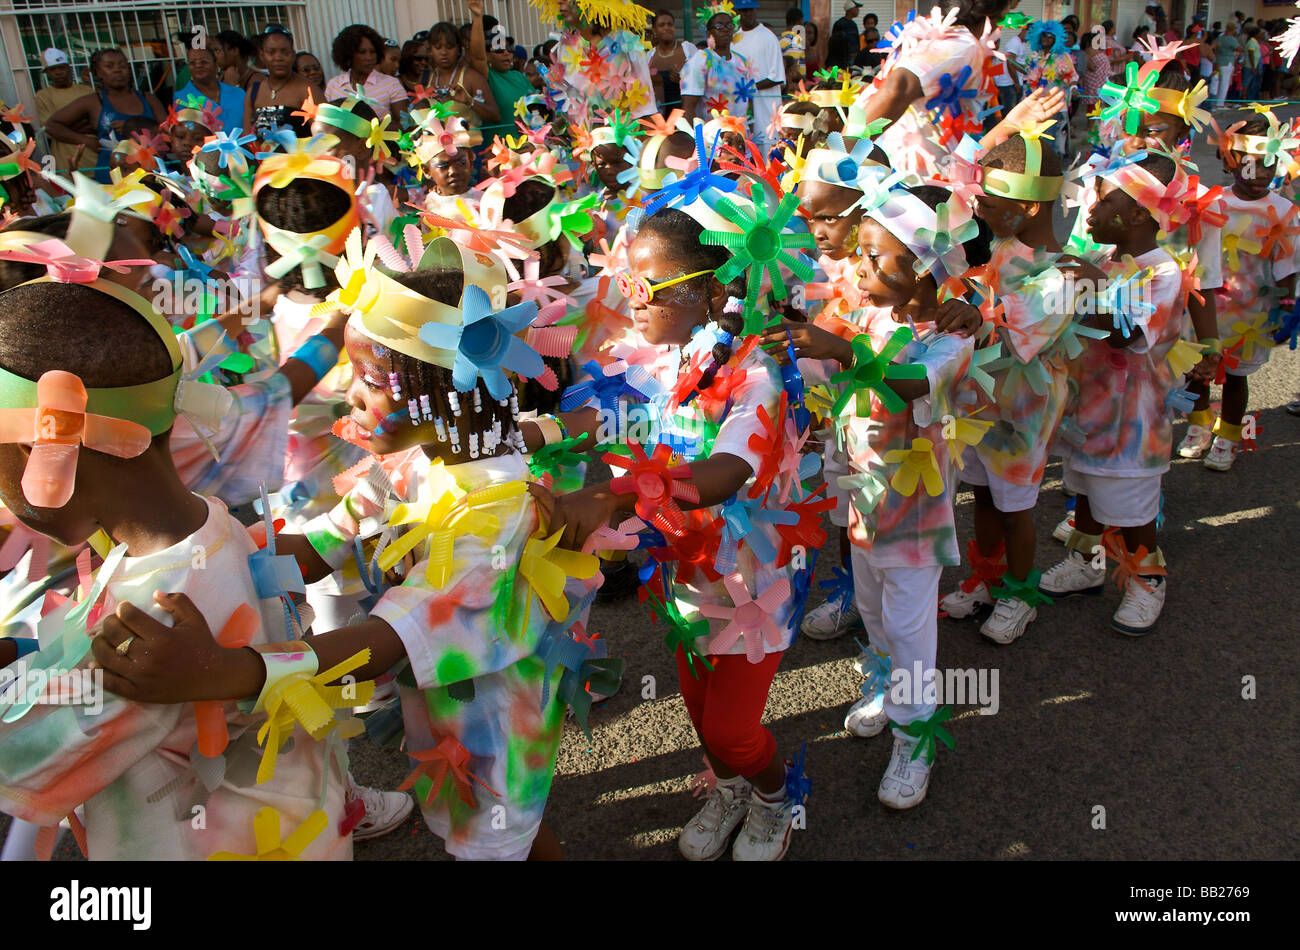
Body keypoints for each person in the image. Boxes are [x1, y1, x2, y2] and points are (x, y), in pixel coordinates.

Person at [87, 238, 601, 862]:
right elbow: (318, 545)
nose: (351, 396)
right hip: (441, 720)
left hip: (497, 731)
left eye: (372, 381)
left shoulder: (495, 513)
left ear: (443, 393)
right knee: (487, 832)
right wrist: (201, 551)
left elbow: (389, 639)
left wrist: (230, 672)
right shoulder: (413, 464)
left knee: (494, 841)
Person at [0, 216, 351, 860]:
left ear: (41, 451)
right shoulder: (211, 521)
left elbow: (14, 754)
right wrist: (27, 658)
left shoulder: (146, 637)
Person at [762, 183, 988, 808]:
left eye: (876, 258)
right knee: (876, 609)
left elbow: (912, 384)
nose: (859, 269)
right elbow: (816, 361)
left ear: (923, 267)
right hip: (862, 504)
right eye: (859, 253)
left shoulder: (949, 338)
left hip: (914, 518)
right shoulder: (865, 313)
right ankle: (887, 689)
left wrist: (840, 349)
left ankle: (916, 735)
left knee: (913, 627)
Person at [1041, 154, 1189, 635]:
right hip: (1090, 412)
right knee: (1083, 490)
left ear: (1141, 214)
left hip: (1133, 424)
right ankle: (1086, 562)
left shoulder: (1163, 272)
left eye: (1104, 200)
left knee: (1131, 508)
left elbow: (1125, 331)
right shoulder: (1104, 260)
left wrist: (1081, 276)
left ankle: (1148, 579)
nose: (1090, 207)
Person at [940, 131, 1077, 645]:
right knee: (983, 494)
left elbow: (1013, 327)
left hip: (1024, 411)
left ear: (1025, 205)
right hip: (979, 401)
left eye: (989, 201)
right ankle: (987, 576)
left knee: (1016, 505)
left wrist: (971, 313)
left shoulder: (1060, 275)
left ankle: (1021, 592)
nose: (980, 208)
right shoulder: (994, 245)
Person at [1185, 114, 1299, 471]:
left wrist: (1285, 308)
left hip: (1251, 310)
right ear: (1230, 160)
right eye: (1247, 163)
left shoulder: (1283, 210)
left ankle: (1230, 435)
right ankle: (1198, 423)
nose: (1257, 174)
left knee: (1235, 376)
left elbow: (1288, 264)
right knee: (1197, 370)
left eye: (1265, 165)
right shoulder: (1211, 203)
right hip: (1207, 305)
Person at [45, 48, 163, 184]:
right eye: (109, 66)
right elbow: (52, 125)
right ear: (97, 72)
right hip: (111, 176)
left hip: (150, 172)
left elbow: (168, 132)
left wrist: (132, 127)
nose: (118, 70)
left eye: (122, 65)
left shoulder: (148, 98)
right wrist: (87, 140)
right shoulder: (92, 102)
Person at [680, 12, 755, 127]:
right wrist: (695, 140)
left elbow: (749, 103)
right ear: (709, 33)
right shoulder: (701, 60)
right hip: (711, 137)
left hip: (740, 135)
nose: (725, 30)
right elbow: (688, 105)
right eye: (719, 26)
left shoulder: (742, 61)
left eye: (729, 26)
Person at [424, 17, 498, 131]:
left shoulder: (471, 77)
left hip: (470, 145)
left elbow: (495, 116)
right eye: (438, 47)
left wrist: (469, 101)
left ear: (459, 48)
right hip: (437, 145)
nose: (444, 52)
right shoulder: (430, 77)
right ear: (430, 50)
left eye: (449, 47)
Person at [325, 23, 410, 120]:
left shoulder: (392, 84)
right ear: (348, 55)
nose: (369, 58)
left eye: (373, 52)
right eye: (362, 52)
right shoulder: (333, 85)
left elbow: (405, 124)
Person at [244, 25, 314, 141]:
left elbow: (324, 135)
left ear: (292, 55)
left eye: (284, 52)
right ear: (262, 56)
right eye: (271, 52)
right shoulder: (254, 92)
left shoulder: (307, 90)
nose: (278, 57)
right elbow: (247, 138)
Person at [732, 0, 785, 148]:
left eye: (749, 10)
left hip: (766, 114)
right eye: (743, 11)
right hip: (741, 112)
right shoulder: (734, 39)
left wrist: (750, 88)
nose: (746, 14)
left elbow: (777, 77)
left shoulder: (768, 38)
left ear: (756, 10)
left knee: (768, 156)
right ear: (737, 12)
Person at [34, 48, 94, 174]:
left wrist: (63, 126)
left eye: (61, 68)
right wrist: (86, 139)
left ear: (69, 68)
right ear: (47, 73)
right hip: (65, 155)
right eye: (53, 69)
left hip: (93, 153)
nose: (58, 73)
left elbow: (95, 122)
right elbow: (50, 129)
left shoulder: (86, 91)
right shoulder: (43, 96)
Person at [173, 45, 245, 135]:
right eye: (192, 63)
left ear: (215, 65)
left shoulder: (238, 93)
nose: (198, 65)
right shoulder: (182, 99)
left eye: (204, 62)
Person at [649, 9, 698, 110]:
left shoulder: (688, 49)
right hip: (660, 114)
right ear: (654, 30)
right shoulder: (649, 56)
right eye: (661, 25)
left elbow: (701, 77)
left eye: (670, 24)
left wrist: (682, 81)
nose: (667, 28)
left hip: (685, 111)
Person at [1210, 20, 1241, 107]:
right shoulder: (1232, 39)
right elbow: (1239, 48)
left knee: (1217, 83)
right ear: (1233, 29)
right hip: (1227, 62)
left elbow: (1213, 46)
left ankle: (1215, 102)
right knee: (1224, 83)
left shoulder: (1220, 38)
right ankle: (1220, 103)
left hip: (1218, 62)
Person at [830, 0, 862, 69]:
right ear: (850, 9)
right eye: (856, 8)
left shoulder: (853, 24)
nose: (858, 10)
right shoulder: (840, 24)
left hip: (854, 58)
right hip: (843, 60)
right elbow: (835, 43)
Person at [780, 7, 806, 87]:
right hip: (792, 84)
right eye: (802, 23)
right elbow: (799, 69)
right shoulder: (796, 40)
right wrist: (803, 81)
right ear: (798, 22)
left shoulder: (782, 40)